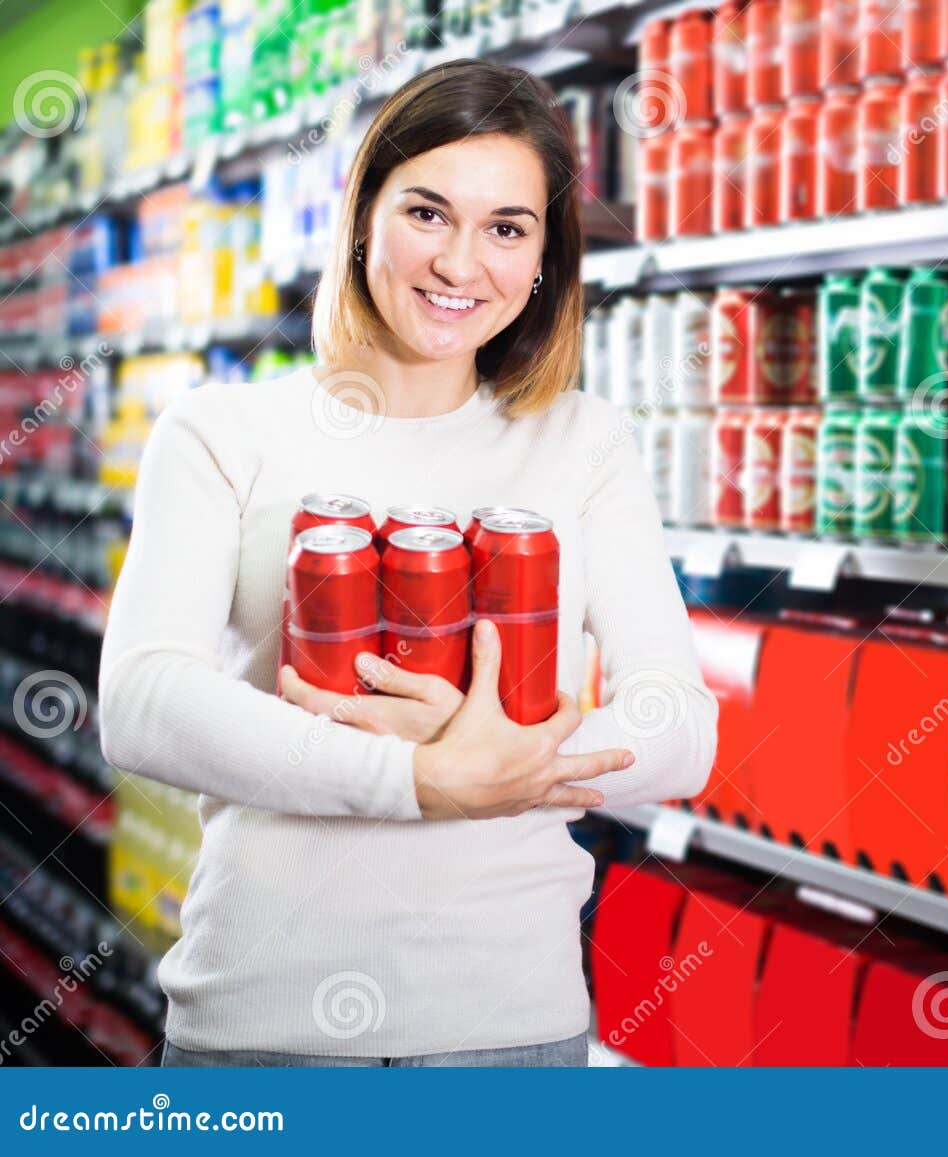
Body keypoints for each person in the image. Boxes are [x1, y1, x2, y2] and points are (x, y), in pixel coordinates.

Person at [97, 59, 717, 1067]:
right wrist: (421, 777)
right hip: (261, 1027)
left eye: (507, 228)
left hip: (512, 1032)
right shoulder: (220, 429)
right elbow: (142, 699)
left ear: (546, 261)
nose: (461, 263)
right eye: (427, 212)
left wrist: (500, 764)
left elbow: (680, 728)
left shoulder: (583, 441)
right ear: (361, 217)